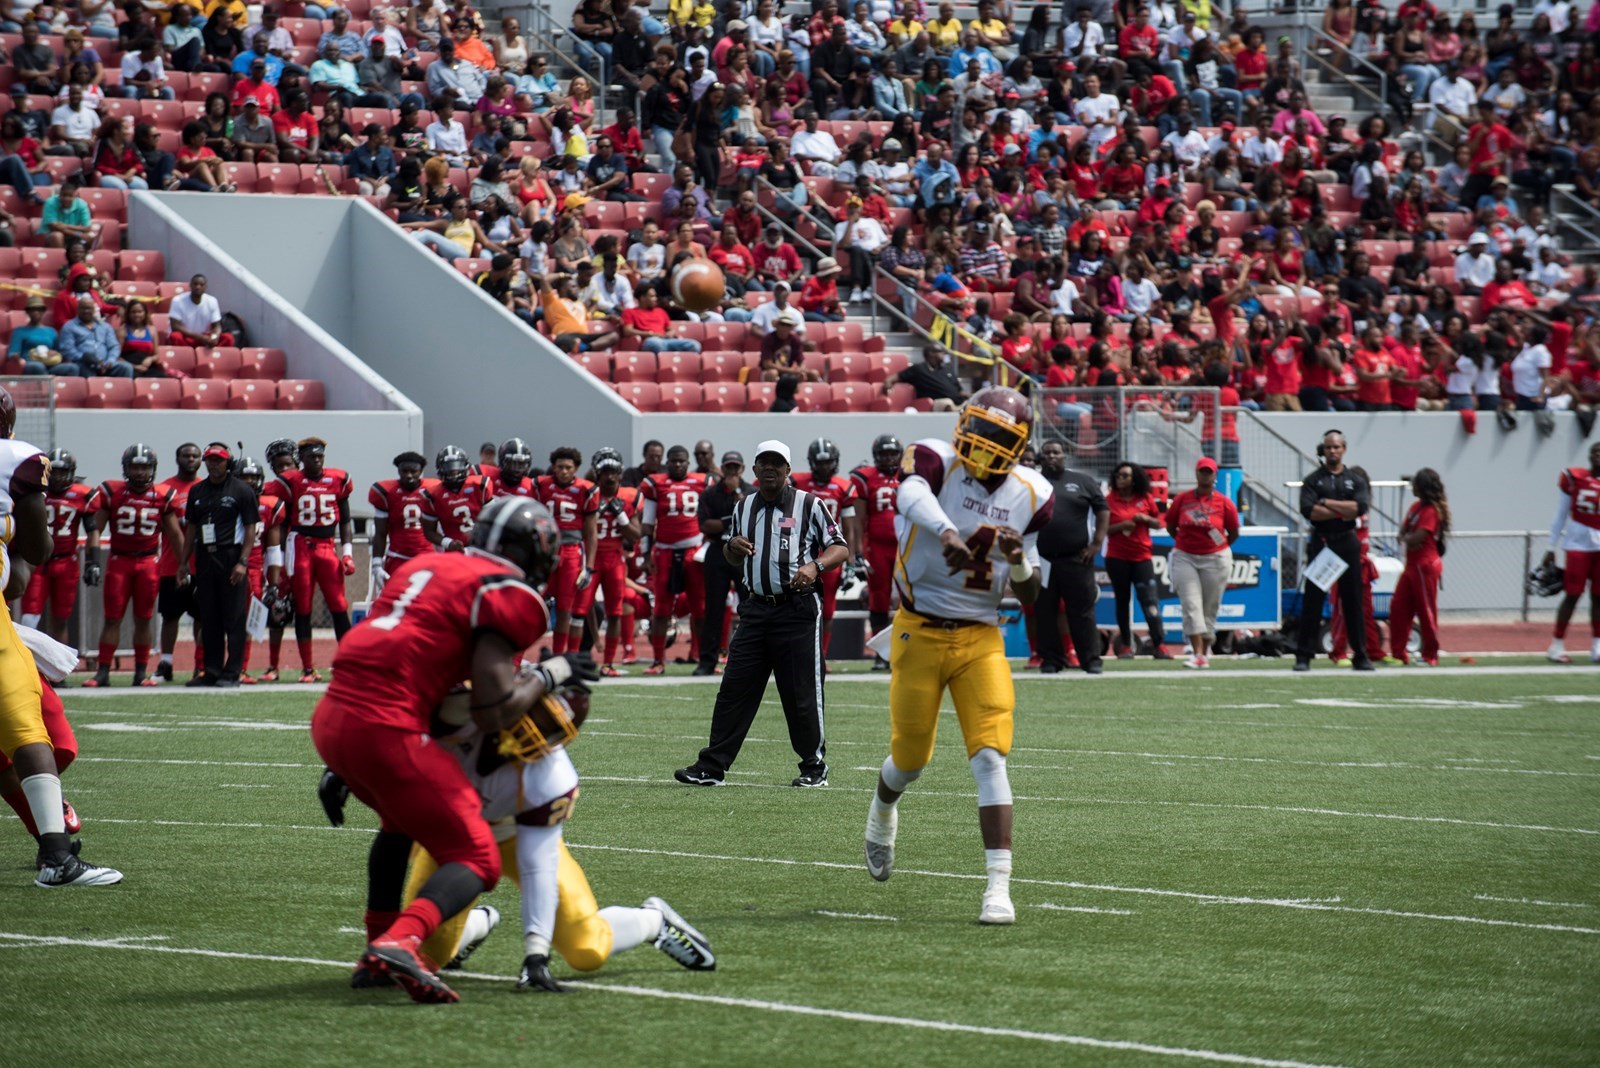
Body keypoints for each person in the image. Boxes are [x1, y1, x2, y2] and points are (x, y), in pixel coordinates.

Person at [311, 497, 601, 1003]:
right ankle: (400, 940)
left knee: (398, 828)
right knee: (476, 856)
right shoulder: (508, 593)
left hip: (334, 715)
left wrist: (343, 766)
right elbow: (494, 711)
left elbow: (399, 653)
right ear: (533, 553)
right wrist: (554, 672)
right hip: (387, 725)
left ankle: (375, 950)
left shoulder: (425, 564)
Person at [863, 387, 1051, 925]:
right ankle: (882, 812)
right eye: (979, 428)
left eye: (997, 435)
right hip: (918, 630)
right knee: (910, 759)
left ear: (1017, 445)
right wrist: (945, 528)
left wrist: (1016, 563)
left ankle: (998, 887)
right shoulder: (935, 460)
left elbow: (1031, 592)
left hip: (980, 636)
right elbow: (908, 495)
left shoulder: (1033, 492)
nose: (983, 442)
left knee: (990, 756)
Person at [400, 678, 716, 990]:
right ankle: (479, 923)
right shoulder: (455, 714)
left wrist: (535, 955)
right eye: (531, 721)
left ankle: (652, 922)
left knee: (587, 950)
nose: (532, 739)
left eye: (547, 733)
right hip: (453, 839)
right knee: (424, 957)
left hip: (517, 836)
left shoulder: (551, 776)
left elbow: (537, 865)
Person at [0, 388, 122, 887]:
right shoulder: (16, 458)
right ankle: (55, 855)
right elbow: (37, 549)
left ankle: (54, 846)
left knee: (42, 729)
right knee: (34, 732)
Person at [675, 439, 848, 787]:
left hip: (796, 609)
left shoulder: (809, 504)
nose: (769, 468)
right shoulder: (744, 507)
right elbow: (734, 556)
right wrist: (731, 548)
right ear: (754, 470)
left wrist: (815, 566)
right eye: (763, 463)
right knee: (734, 689)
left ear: (788, 470)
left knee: (802, 692)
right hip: (754, 608)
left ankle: (814, 767)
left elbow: (840, 547)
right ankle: (712, 766)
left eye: (776, 463)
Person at [83, 444, 181, 688]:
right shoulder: (112, 492)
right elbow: (95, 529)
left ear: (153, 469)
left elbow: (176, 535)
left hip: (148, 562)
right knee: (112, 618)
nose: (139, 472)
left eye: (144, 467)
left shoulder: (162, 496)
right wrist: (92, 561)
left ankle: (140, 672)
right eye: (135, 467)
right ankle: (103, 671)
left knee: (144, 618)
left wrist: (184, 567)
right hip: (119, 561)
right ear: (126, 469)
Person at [276, 437, 355, 682]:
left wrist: (348, 552)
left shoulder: (339, 479)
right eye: (312, 457)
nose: (317, 461)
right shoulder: (290, 481)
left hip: (327, 548)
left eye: (320, 456)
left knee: (339, 606)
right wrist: (280, 557)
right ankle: (308, 668)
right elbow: (282, 522)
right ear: (302, 459)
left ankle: (348, 664)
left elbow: (345, 520)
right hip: (300, 546)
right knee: (303, 608)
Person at [179, 444, 258, 688]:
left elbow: (250, 529)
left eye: (219, 460)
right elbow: (191, 528)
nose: (214, 465)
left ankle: (232, 672)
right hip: (205, 556)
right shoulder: (197, 491)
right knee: (209, 617)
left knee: (233, 617)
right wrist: (183, 562)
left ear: (228, 462)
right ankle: (211, 670)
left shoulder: (242, 490)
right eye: (210, 460)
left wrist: (243, 562)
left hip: (231, 556)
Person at [1294, 431, 1372, 672]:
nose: (1333, 451)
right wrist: (1342, 509)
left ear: (1344, 449)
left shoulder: (1355, 480)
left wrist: (1326, 503)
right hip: (1322, 542)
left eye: (1337, 447)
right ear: (1323, 450)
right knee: (1313, 601)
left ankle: (1360, 655)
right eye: (1328, 447)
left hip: (1347, 542)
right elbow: (1309, 511)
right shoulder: (1313, 480)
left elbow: (1359, 508)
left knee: (1353, 601)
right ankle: (1304, 656)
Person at [1032, 439, 1107, 675]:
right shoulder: (1032, 482)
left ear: (1065, 456)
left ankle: (1091, 660)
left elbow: (1102, 509)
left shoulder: (1082, 481)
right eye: (1047, 453)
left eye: (1056, 452)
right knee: (1044, 611)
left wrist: (1096, 542)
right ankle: (1051, 660)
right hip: (1041, 558)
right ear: (1040, 459)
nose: (1052, 456)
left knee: (1082, 610)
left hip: (1076, 558)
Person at [18, 450, 101, 645]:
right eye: (54, 472)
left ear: (72, 473)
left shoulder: (82, 495)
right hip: (37, 561)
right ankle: (29, 666)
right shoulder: (34, 492)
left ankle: (58, 671)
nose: (58, 477)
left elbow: (93, 531)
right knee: (29, 617)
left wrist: (94, 561)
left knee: (61, 619)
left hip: (66, 562)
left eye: (63, 472)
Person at [1164, 457, 1239, 670]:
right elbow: (1171, 526)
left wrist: (1217, 547)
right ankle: (1197, 652)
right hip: (1185, 556)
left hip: (1215, 557)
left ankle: (1204, 652)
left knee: (1209, 607)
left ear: (1215, 476)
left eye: (1209, 472)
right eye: (1202, 472)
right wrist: (1185, 542)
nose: (1205, 476)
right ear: (1197, 474)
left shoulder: (1224, 503)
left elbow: (1233, 532)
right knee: (1190, 604)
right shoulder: (1182, 499)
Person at [789, 438, 861, 657]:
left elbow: (848, 528)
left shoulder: (844, 487)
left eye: (828, 462)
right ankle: (797, 653)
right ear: (812, 463)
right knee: (795, 605)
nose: (823, 467)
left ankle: (822, 653)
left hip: (829, 551)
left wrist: (850, 563)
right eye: (820, 463)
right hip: (800, 549)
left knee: (828, 608)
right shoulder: (797, 481)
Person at [639, 445, 708, 673]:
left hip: (693, 551)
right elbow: (648, 522)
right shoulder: (655, 483)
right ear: (667, 463)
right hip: (665, 551)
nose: (677, 465)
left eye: (681, 461)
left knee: (699, 607)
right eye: (673, 461)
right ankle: (658, 660)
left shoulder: (702, 481)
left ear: (688, 463)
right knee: (661, 608)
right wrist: (645, 553)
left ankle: (699, 656)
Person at [534, 446, 599, 656]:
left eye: (568, 467)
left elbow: (591, 533)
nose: (563, 471)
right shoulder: (540, 485)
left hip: (571, 551)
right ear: (553, 467)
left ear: (576, 469)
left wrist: (588, 567)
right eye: (560, 467)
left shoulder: (586, 490)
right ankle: (517, 657)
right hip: (545, 550)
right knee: (531, 603)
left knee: (564, 609)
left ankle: (560, 657)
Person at [1541, 441, 1600, 664]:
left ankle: (1597, 646)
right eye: (1594, 452)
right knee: (1572, 595)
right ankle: (1556, 645)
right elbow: (1560, 514)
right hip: (1577, 545)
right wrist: (1550, 546)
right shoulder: (1575, 478)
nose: (1598, 456)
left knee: (1599, 598)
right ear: (1588, 455)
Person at [1104, 461, 1170, 659]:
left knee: (1149, 599)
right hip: (1117, 558)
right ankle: (1126, 644)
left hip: (1142, 557)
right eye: (1117, 475)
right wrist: (1121, 525)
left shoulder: (1145, 498)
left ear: (1134, 480)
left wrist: (1146, 520)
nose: (1120, 478)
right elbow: (1102, 529)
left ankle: (1159, 643)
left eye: (1124, 475)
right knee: (1122, 601)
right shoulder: (1109, 500)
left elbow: (1160, 522)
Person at [694, 450, 751, 676]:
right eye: (728, 467)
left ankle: (750, 658)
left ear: (742, 469)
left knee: (750, 607)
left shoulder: (750, 492)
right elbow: (706, 525)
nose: (731, 472)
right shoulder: (710, 494)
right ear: (722, 468)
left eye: (735, 468)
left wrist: (739, 499)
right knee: (714, 609)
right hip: (718, 551)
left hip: (745, 552)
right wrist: (730, 518)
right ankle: (707, 661)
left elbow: (755, 523)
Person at [849, 434, 902, 670]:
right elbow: (859, 519)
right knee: (878, 598)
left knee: (908, 599)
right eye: (885, 454)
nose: (889, 458)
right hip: (878, 546)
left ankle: (902, 651)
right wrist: (858, 550)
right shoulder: (865, 477)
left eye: (893, 453)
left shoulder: (910, 475)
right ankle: (882, 654)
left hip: (904, 546)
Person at [586, 447, 640, 676]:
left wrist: (621, 516)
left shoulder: (629, 496)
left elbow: (635, 536)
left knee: (615, 611)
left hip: (615, 558)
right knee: (581, 607)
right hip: (590, 557)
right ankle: (580, 653)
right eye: (605, 471)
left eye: (613, 471)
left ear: (620, 473)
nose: (609, 476)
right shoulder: (586, 493)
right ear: (596, 474)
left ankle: (608, 662)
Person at [1390, 467, 1448, 667]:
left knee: (1426, 610)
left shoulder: (1432, 511)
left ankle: (1430, 655)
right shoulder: (1416, 507)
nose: (1412, 487)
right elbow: (1405, 532)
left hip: (1425, 565)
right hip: (1412, 565)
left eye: (1415, 483)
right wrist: (1406, 537)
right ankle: (1398, 653)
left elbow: (1417, 537)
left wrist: (1406, 537)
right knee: (1398, 607)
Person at [154, 442, 203, 684]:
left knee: (201, 617)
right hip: (172, 564)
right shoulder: (164, 489)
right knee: (170, 616)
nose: (191, 459)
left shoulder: (206, 488)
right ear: (177, 458)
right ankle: (166, 663)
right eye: (186, 455)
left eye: (195, 455)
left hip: (201, 564)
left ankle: (199, 665)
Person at [368, 451, 432, 596]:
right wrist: (377, 563)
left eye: (413, 471)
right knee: (393, 599)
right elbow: (380, 532)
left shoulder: (433, 491)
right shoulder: (387, 492)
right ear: (398, 471)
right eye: (404, 471)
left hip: (427, 556)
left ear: (421, 471)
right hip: (398, 557)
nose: (409, 475)